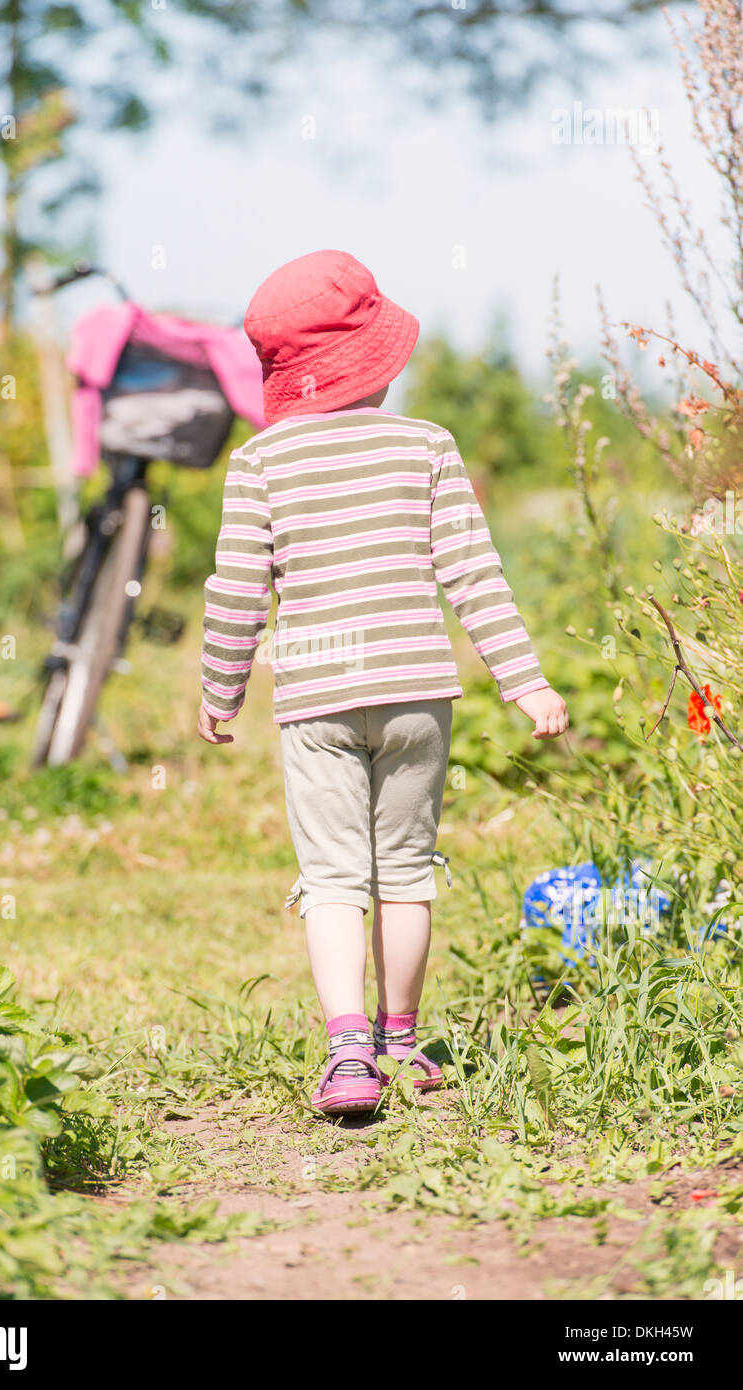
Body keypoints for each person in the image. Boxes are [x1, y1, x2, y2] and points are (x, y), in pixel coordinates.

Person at [197, 249, 568, 1116]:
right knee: (406, 871)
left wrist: (220, 693)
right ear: (379, 361)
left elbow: (237, 590)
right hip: (417, 696)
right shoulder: (425, 446)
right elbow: (474, 575)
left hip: (316, 702)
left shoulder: (260, 464)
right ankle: (402, 1041)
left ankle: (347, 1055)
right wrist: (525, 682)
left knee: (331, 880)